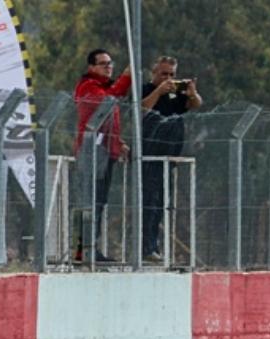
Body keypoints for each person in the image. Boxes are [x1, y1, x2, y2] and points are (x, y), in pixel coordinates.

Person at [73, 49, 133, 262]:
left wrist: (119, 142)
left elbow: (107, 123)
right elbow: (107, 103)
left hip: (106, 151)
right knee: (91, 201)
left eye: (110, 63)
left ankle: (90, 246)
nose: (108, 67)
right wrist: (127, 77)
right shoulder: (89, 88)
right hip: (92, 153)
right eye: (103, 63)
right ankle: (85, 249)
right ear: (91, 67)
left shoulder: (104, 89)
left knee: (99, 202)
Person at [140, 56, 201, 262]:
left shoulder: (175, 95)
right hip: (149, 153)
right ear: (154, 73)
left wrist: (192, 93)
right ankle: (145, 246)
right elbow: (142, 109)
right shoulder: (147, 89)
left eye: (172, 75)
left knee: (161, 203)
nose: (168, 78)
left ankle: (153, 244)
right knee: (149, 201)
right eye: (163, 74)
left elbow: (195, 104)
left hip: (170, 155)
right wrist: (159, 91)